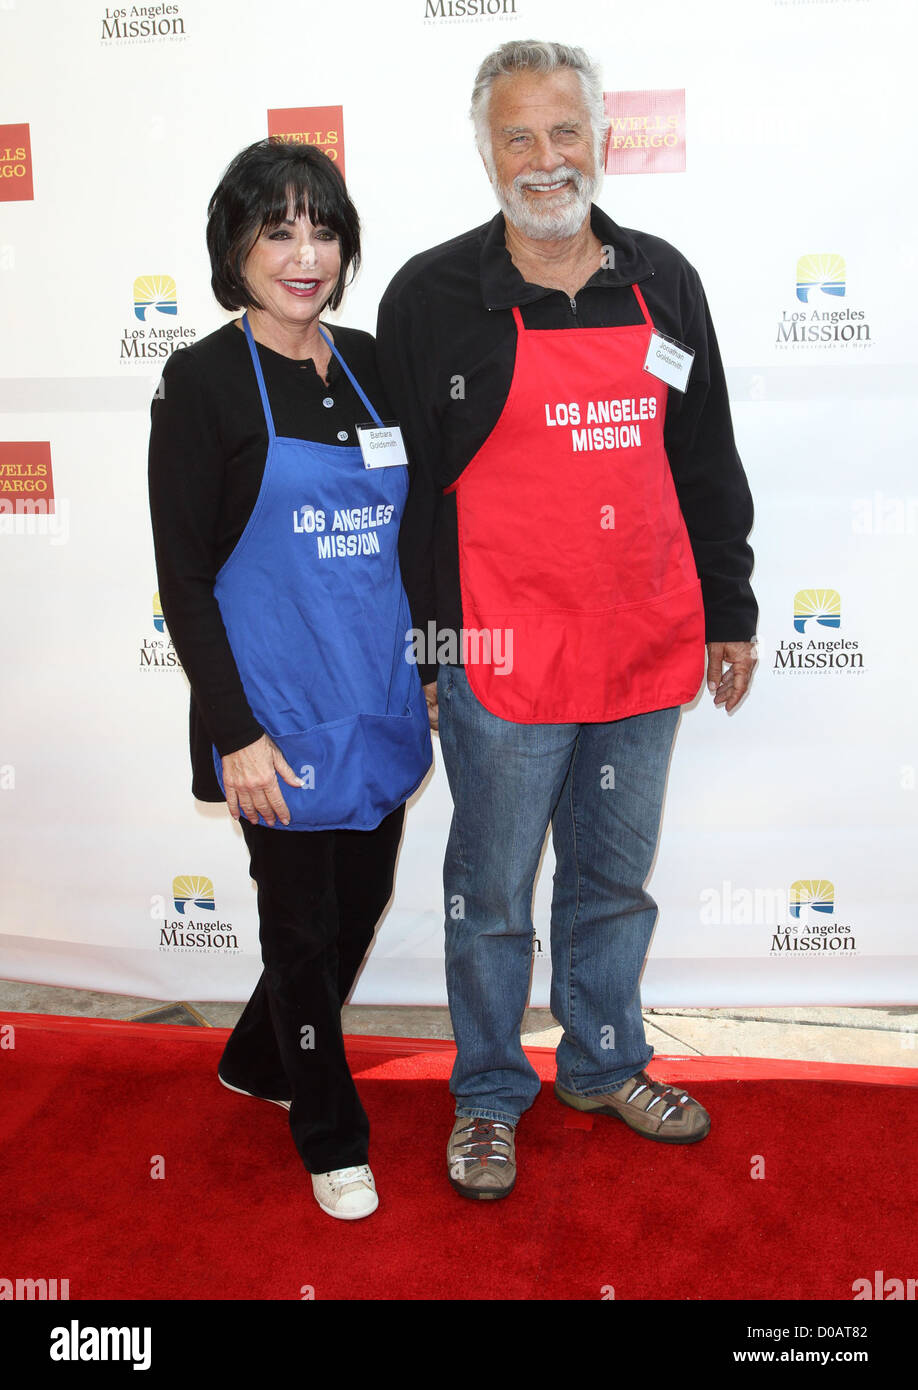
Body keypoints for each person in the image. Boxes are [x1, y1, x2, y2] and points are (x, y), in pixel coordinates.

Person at [377, 40, 757, 1199]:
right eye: (519, 137)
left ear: (602, 138)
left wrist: (728, 607)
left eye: (565, 132)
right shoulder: (430, 298)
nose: (546, 160)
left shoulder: (663, 278)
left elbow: (703, 455)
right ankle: (490, 1091)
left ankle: (604, 1060)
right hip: (501, 651)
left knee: (613, 878)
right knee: (491, 897)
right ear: (487, 151)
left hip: (643, 640)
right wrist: (432, 650)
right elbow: (410, 498)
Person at [148, 139, 431, 1220]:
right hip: (272, 708)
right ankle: (328, 1127)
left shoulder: (366, 363)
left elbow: (411, 535)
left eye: (323, 231)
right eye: (279, 230)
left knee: (358, 907)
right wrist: (238, 733)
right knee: (303, 929)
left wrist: (432, 666)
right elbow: (182, 576)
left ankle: (260, 1056)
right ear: (237, 245)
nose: (305, 254)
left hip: (376, 694)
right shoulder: (205, 379)